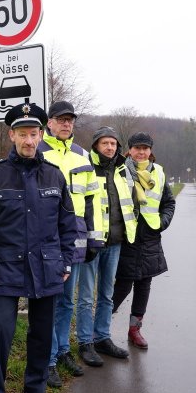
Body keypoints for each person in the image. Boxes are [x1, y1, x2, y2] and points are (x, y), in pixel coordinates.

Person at [0, 103, 78, 393]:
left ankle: (35, 388)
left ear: (41, 134)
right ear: (12, 135)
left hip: (47, 266)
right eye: (22, 134)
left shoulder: (54, 175)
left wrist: (65, 262)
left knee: (41, 331)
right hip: (6, 266)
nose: (29, 140)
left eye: (33, 134)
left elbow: (67, 222)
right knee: (1, 330)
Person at [38, 101, 103, 388]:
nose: (66, 124)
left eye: (70, 120)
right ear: (49, 123)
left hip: (74, 236)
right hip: (44, 237)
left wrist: (93, 238)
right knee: (49, 301)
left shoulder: (82, 155)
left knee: (67, 299)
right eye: (60, 120)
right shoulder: (36, 149)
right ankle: (48, 359)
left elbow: (92, 201)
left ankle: (63, 350)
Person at [75, 127, 138, 360]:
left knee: (107, 294)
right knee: (86, 296)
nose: (110, 147)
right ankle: (84, 342)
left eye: (113, 143)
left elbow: (131, 203)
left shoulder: (122, 170)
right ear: (96, 146)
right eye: (105, 143)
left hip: (115, 242)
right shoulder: (86, 167)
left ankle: (102, 338)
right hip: (92, 242)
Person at [112, 132, 176, 349]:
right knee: (123, 284)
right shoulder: (119, 171)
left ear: (150, 151)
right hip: (126, 236)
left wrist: (162, 222)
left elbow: (168, 202)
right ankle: (99, 328)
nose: (141, 152)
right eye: (137, 148)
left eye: (145, 148)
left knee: (144, 284)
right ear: (129, 150)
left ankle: (135, 330)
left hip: (149, 236)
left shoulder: (158, 173)